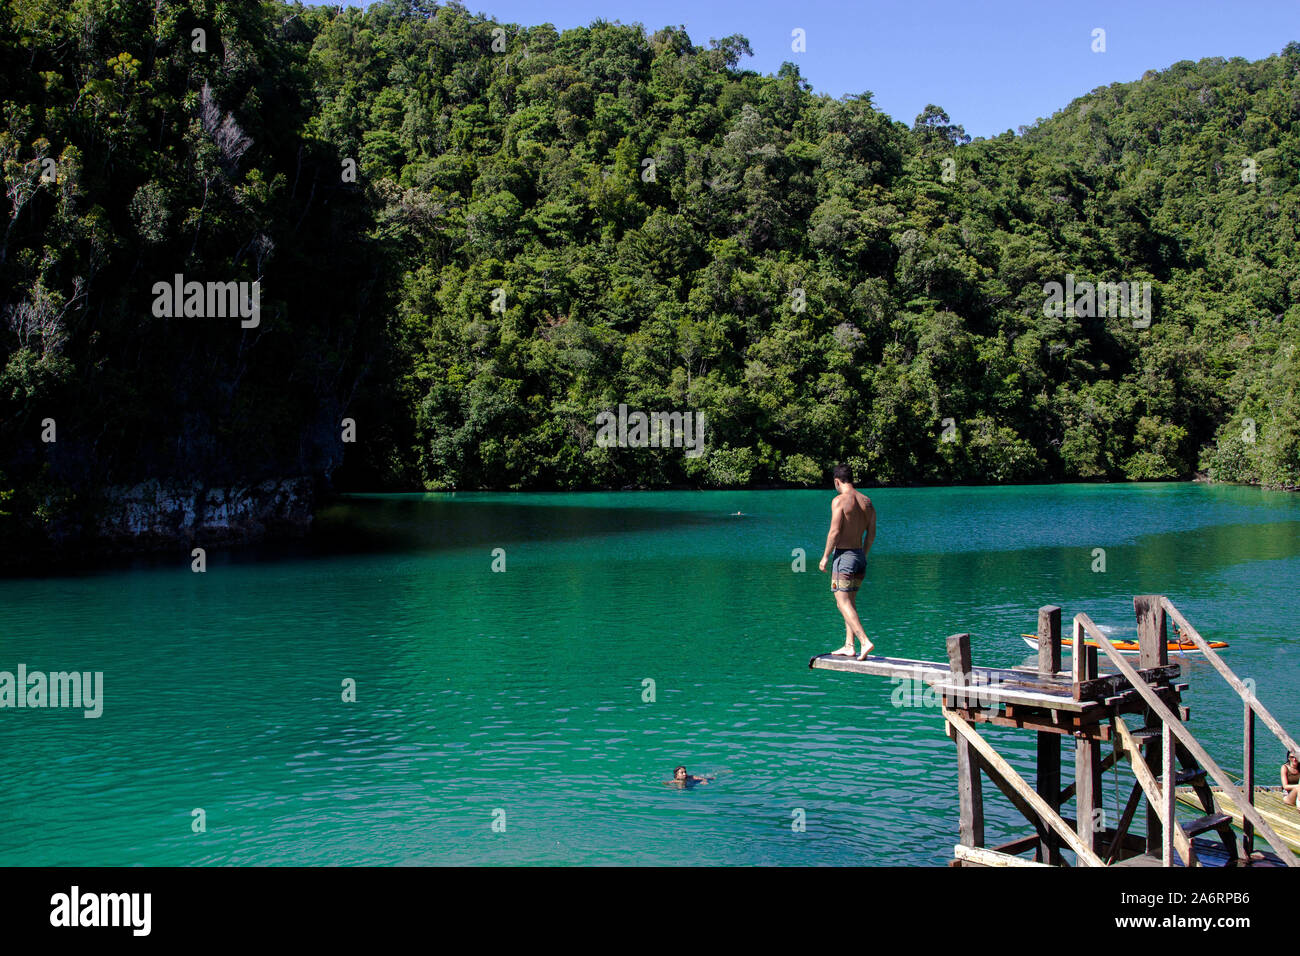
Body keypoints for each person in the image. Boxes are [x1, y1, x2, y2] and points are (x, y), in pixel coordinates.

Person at [819, 463, 876, 660]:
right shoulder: (867, 501)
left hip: (844, 557)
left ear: (837, 481)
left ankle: (864, 641)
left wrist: (826, 556)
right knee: (849, 601)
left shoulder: (840, 501)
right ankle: (849, 645)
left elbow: (834, 532)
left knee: (841, 601)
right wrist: (863, 554)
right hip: (859, 556)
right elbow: (871, 534)